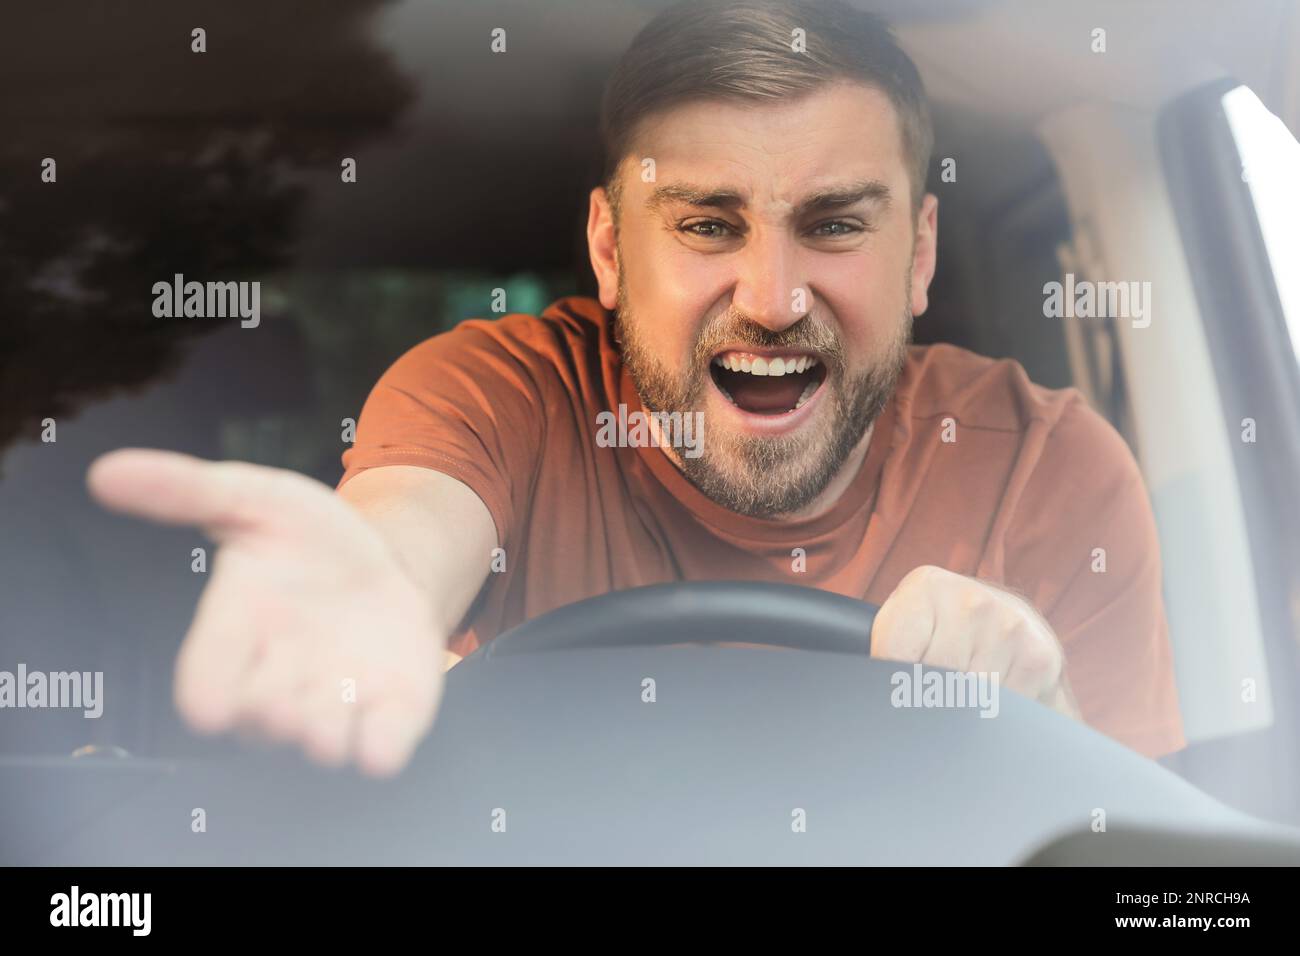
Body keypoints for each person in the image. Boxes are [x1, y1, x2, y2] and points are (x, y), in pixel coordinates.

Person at [87, 0, 1184, 777]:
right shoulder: (500, 392)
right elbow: (404, 532)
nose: (769, 297)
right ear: (610, 252)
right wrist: (360, 597)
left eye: (835, 224)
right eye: (708, 225)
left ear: (919, 251)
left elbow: (1157, 898)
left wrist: (1054, 733)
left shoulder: (1050, 471)